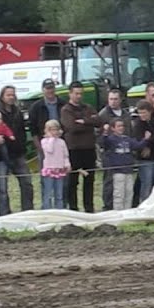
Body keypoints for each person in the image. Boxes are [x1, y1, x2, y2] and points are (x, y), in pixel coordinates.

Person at [59, 82, 103, 212]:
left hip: (89, 148)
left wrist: (84, 121)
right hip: (74, 149)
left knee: (89, 180)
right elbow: (71, 127)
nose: (79, 96)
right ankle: (73, 208)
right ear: (70, 93)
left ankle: (89, 208)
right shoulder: (66, 109)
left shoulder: (88, 107)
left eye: (80, 93)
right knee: (73, 181)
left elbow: (99, 121)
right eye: (76, 93)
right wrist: (89, 122)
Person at [0, 86, 33, 211]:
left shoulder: (18, 111)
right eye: (8, 95)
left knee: (27, 183)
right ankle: (5, 211)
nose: (11, 97)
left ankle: (27, 209)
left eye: (13, 95)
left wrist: (23, 146)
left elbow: (22, 131)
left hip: (18, 153)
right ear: (2, 96)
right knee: (2, 186)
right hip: (2, 154)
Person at [99, 118, 148, 210]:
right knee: (119, 193)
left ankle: (127, 211)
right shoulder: (111, 139)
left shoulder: (127, 139)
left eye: (122, 126)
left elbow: (137, 146)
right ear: (113, 128)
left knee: (129, 192)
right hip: (117, 171)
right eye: (118, 126)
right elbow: (103, 143)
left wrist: (145, 139)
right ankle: (118, 212)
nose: (121, 128)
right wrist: (105, 131)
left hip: (128, 170)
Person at [97, 89, 132, 211]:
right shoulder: (103, 115)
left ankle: (125, 206)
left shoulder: (126, 115)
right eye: (110, 99)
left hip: (124, 154)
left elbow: (129, 132)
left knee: (125, 183)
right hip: (109, 154)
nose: (113, 101)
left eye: (115, 99)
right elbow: (99, 136)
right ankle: (108, 205)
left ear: (120, 99)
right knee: (109, 182)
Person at [28, 78, 66, 169]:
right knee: (45, 172)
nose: (50, 91)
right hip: (44, 144)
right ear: (43, 90)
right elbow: (33, 128)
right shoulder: (35, 107)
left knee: (62, 171)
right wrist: (39, 146)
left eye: (52, 88)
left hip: (61, 143)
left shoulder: (63, 104)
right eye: (47, 88)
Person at [39, 119, 70, 210]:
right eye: (52, 130)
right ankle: (47, 210)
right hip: (49, 169)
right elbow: (49, 150)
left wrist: (67, 165)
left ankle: (59, 210)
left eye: (56, 129)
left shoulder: (62, 142)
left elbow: (65, 155)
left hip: (59, 170)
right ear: (47, 130)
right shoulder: (44, 141)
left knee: (59, 194)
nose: (54, 132)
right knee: (48, 193)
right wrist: (51, 138)